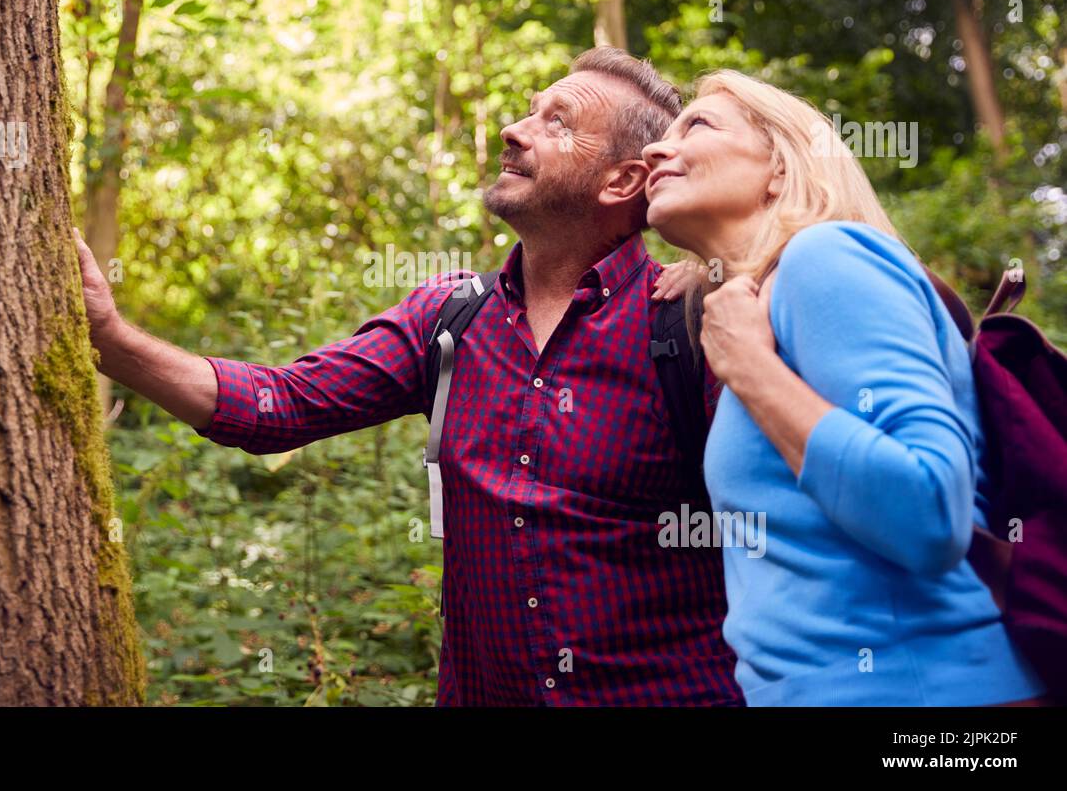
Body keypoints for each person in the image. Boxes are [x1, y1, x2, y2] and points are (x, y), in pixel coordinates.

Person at [75, 47, 744, 706]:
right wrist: (108, 338)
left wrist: (736, 263)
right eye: (528, 111)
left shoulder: (696, 324)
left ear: (621, 183)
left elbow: (805, 525)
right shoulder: (449, 318)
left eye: (558, 122)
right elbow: (278, 406)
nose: (515, 131)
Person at [638, 69, 1047, 705]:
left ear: (781, 167)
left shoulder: (827, 257)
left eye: (697, 126)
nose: (656, 150)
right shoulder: (771, 294)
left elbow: (930, 510)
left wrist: (749, 366)